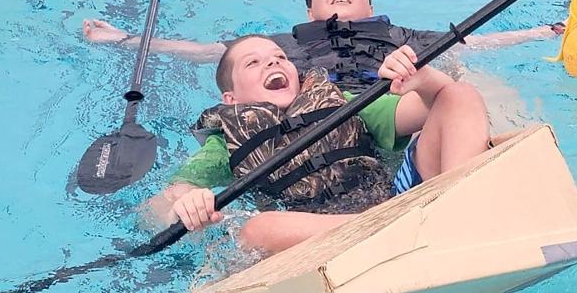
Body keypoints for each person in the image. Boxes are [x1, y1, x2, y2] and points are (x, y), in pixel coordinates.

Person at [143, 35, 489, 254]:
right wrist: (184, 205)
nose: (273, 62)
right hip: (323, 237)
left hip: (396, 200)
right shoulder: (226, 143)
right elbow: (164, 199)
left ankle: (459, 213)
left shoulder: (341, 102)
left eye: (280, 57)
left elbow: (429, 107)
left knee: (459, 93)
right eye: (253, 62)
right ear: (230, 98)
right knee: (257, 230)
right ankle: (401, 228)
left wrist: (422, 79)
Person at [83, 0, 566, 93]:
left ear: (370, 4)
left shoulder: (401, 36)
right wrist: (124, 39)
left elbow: (471, 41)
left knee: (466, 75)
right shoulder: (280, 44)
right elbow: (208, 52)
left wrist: (543, 32)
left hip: (390, 102)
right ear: (310, 9)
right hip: (316, 112)